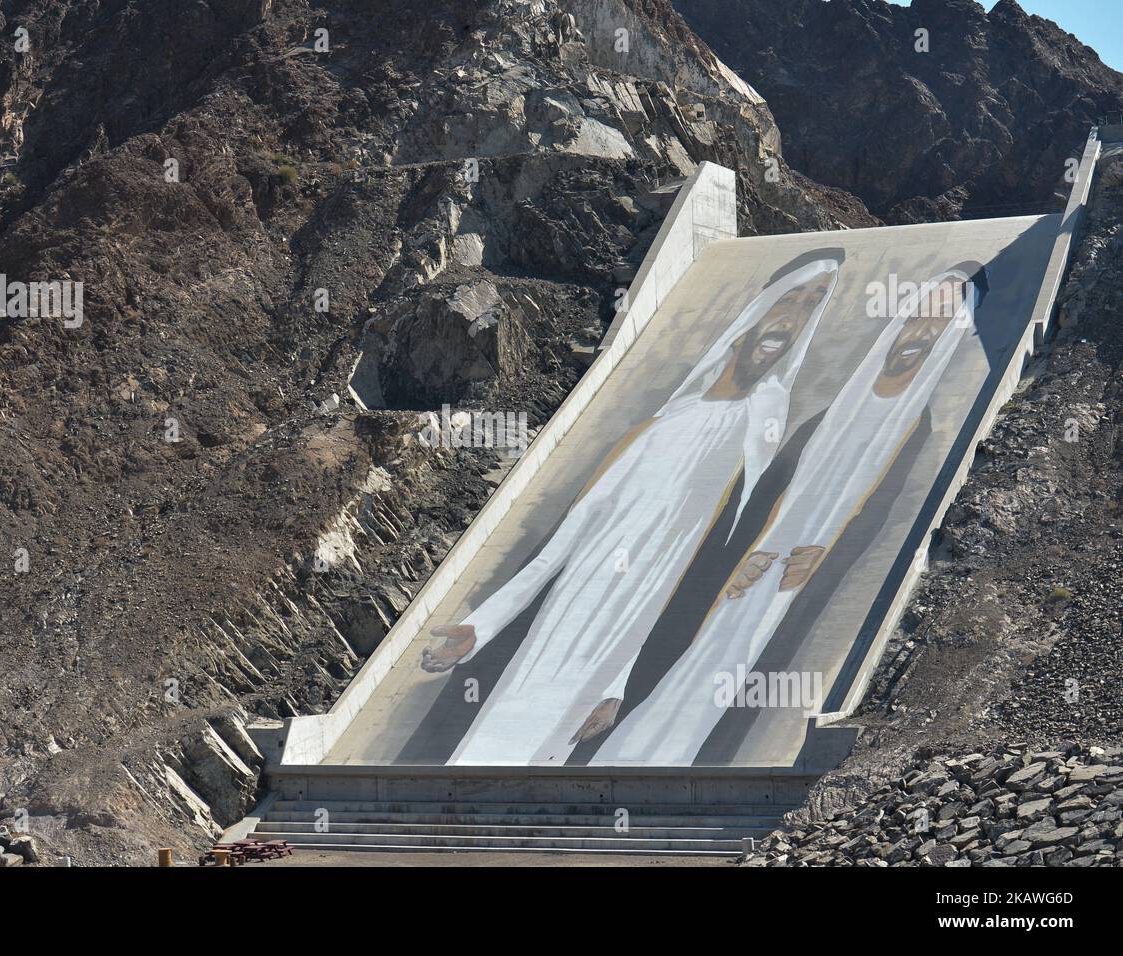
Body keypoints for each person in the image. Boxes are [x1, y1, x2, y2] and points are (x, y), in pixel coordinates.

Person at [419, 250, 845, 765]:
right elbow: (560, 549)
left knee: (561, 750)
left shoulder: (760, 432)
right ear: (756, 312)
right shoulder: (655, 426)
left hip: (636, 623)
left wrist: (620, 683)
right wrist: (479, 628)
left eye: (813, 304)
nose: (795, 314)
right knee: (499, 734)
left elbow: (701, 569)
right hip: (572, 604)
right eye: (790, 297)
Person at [592, 264, 987, 766]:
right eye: (916, 316)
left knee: (738, 684)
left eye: (941, 319)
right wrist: (745, 555)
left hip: (793, 592)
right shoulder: (822, 420)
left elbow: (887, 524)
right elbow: (753, 504)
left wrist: (826, 558)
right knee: (687, 668)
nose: (921, 330)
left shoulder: (917, 430)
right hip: (747, 578)